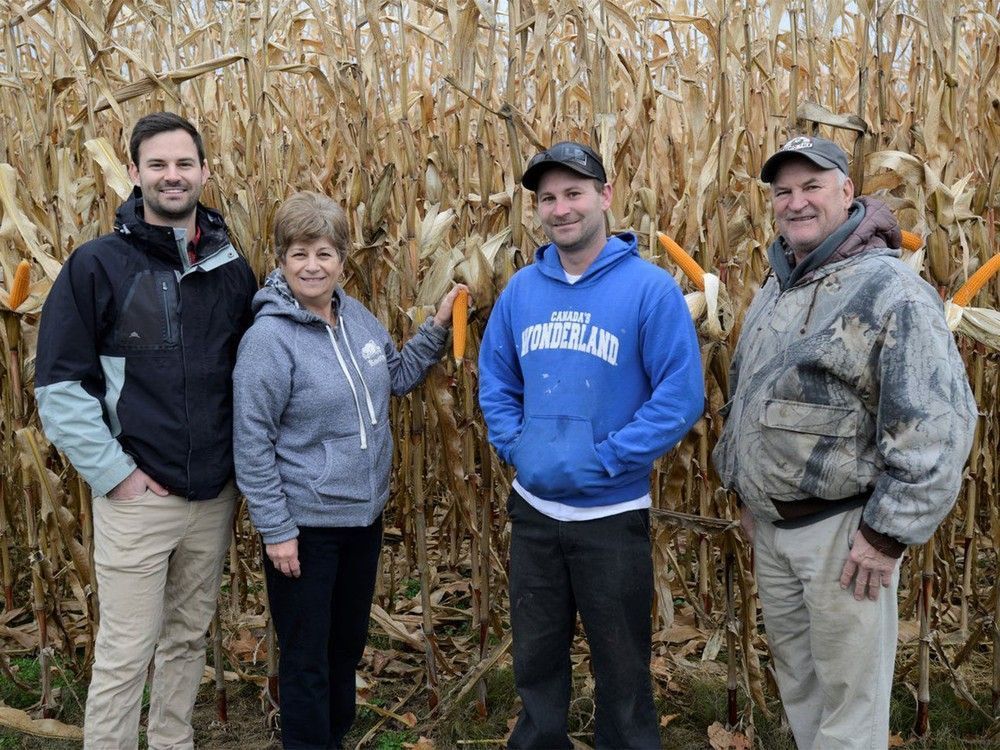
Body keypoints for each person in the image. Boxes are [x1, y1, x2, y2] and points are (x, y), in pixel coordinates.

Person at [712, 135, 977, 749]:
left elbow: (936, 424)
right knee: (802, 689)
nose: (796, 202)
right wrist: (748, 493)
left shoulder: (890, 291)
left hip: (844, 538)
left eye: (812, 187)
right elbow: (750, 396)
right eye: (783, 191)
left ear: (847, 192)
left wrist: (886, 536)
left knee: (849, 707)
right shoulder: (778, 283)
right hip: (776, 531)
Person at [35, 112, 257, 748]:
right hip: (138, 499)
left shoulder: (229, 268)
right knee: (127, 650)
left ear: (204, 172)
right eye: (157, 164)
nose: (172, 176)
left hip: (212, 495)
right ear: (132, 173)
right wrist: (118, 477)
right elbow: (59, 389)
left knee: (187, 640)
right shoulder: (98, 266)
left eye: (184, 164)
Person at [478, 141, 704, 748]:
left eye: (574, 193)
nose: (561, 209)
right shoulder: (522, 292)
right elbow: (495, 382)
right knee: (535, 665)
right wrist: (517, 447)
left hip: (610, 517)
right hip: (534, 515)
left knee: (623, 673)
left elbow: (680, 398)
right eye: (547, 198)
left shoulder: (649, 291)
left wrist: (607, 458)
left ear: (605, 197)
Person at [232, 190, 466, 749]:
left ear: (342, 258)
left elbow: (398, 376)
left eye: (324, 253)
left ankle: (332, 736)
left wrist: (436, 328)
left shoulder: (355, 317)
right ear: (281, 260)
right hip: (306, 527)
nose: (312, 266)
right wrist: (277, 531)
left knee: (345, 647)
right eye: (299, 254)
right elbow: (252, 440)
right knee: (307, 655)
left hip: (361, 518)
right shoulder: (269, 340)